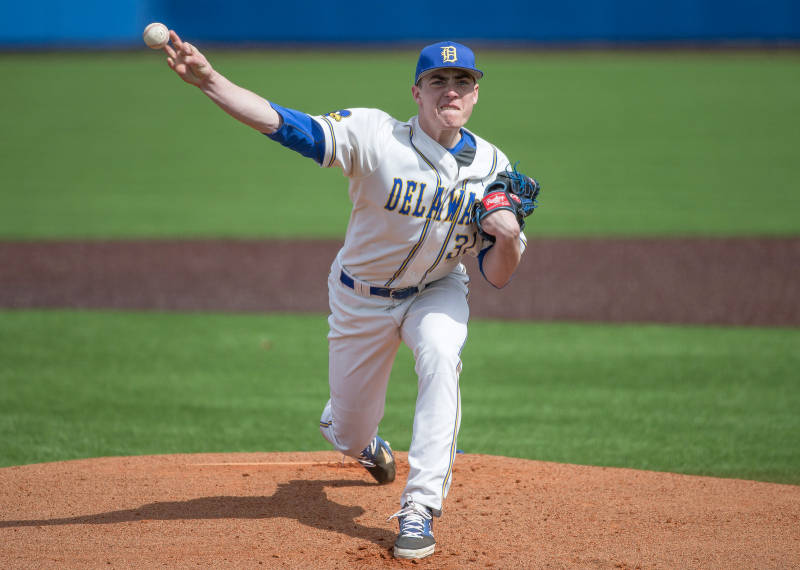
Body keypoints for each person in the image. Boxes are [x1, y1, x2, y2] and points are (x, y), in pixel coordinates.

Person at [162, 32, 532, 560]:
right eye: (438, 81)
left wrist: (510, 236)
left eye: (462, 81)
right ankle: (355, 438)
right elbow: (290, 126)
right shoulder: (375, 134)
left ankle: (420, 506)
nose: (450, 90)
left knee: (441, 353)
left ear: (475, 94)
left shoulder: (495, 167)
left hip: (438, 289)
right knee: (351, 429)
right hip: (361, 299)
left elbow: (497, 274)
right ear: (417, 92)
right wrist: (211, 81)